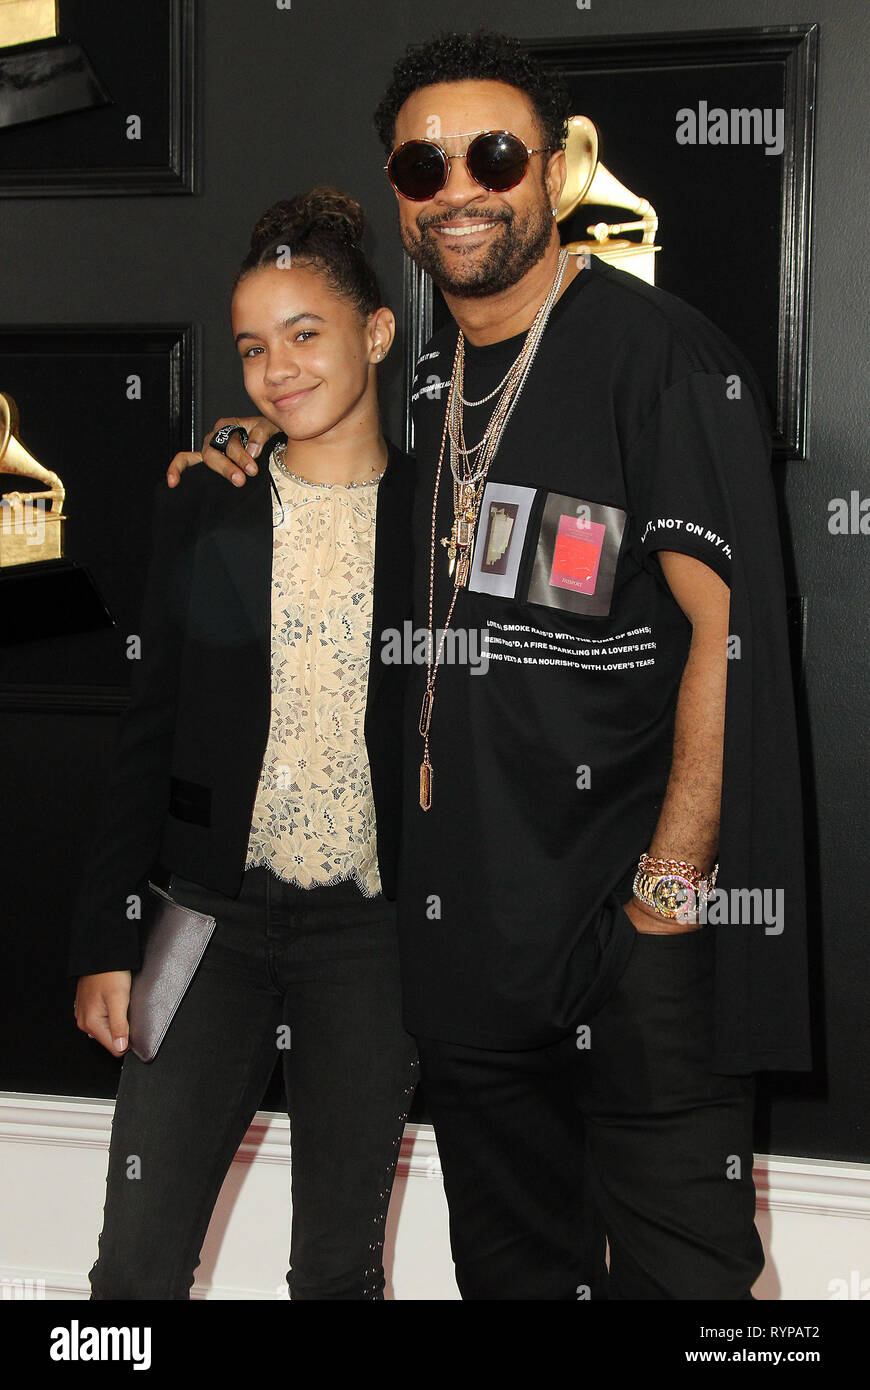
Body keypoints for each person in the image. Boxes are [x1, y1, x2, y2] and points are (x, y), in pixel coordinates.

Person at [178, 31, 811, 1300]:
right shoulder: (425, 389)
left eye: (494, 154)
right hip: (468, 949)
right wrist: (242, 439)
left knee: (698, 1289)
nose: (457, 185)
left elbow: (727, 635)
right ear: (400, 194)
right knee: (515, 1278)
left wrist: (669, 889)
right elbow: (325, 452)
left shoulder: (661, 357)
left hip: (635, 941)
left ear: (559, 171)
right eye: (423, 163)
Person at [68, 188, 419, 1300]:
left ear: (376, 331)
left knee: (335, 1268)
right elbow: (148, 725)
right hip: (203, 918)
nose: (278, 370)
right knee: (132, 1266)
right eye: (253, 348)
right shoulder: (206, 505)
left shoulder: (435, 515)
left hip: (372, 935)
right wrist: (102, 936)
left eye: (306, 335)